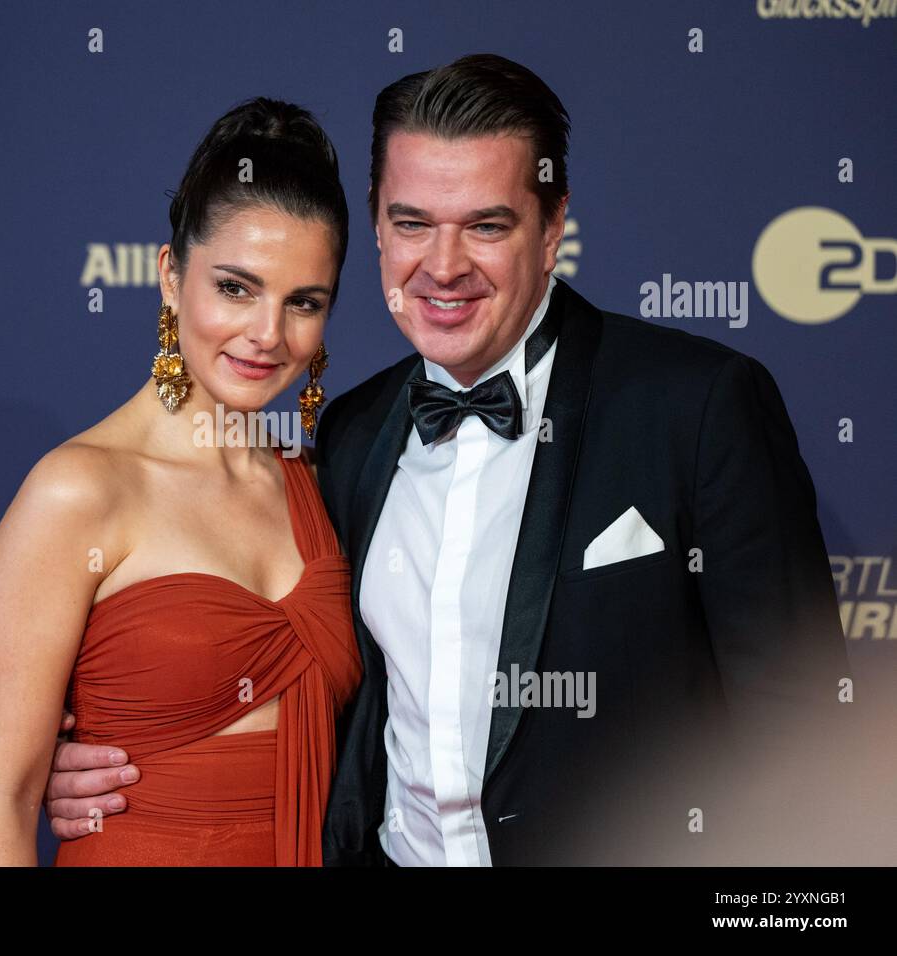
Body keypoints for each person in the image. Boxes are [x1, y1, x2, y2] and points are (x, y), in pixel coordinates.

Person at [45, 55, 850, 866]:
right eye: (413, 222)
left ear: (553, 226)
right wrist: (110, 761)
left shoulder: (696, 406)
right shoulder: (354, 436)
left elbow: (806, 738)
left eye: (487, 225)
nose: (443, 266)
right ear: (377, 222)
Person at [0, 97, 362, 866]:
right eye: (236, 288)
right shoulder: (77, 490)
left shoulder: (322, 484)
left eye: (303, 303)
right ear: (171, 278)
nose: (268, 334)